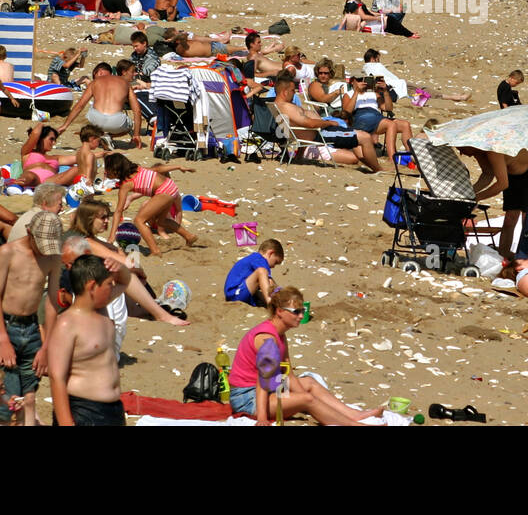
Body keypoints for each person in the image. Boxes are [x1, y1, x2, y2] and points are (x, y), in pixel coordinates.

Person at [228, 287, 384, 425]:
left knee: (309, 383)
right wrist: (262, 418)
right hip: (248, 398)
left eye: (302, 311)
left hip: (269, 388)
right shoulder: (267, 339)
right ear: (280, 311)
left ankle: (355, 415)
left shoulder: (280, 335)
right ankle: (353, 425)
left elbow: (288, 374)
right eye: (296, 312)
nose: (302, 315)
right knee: (307, 400)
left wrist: (302, 395)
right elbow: (262, 381)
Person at [0, 192, 65, 425]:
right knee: (5, 397)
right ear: (30, 232)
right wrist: (2, 340)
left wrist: (47, 347)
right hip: (4, 325)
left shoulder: (53, 258)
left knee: (30, 396)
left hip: (30, 327)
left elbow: (51, 303)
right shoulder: (9, 252)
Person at [48, 254, 132, 426]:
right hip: (83, 410)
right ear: (92, 286)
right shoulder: (67, 324)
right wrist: (65, 422)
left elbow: (125, 281)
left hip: (113, 410)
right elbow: (57, 377)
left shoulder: (101, 308)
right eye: (109, 284)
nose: (112, 288)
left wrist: (119, 268)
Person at [273, 75, 384, 171]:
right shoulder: (287, 107)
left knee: (359, 136)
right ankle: (378, 169)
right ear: (285, 92)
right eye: (293, 91)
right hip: (322, 134)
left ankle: (373, 165)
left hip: (319, 133)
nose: (294, 93)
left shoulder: (277, 105)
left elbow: (301, 127)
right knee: (365, 137)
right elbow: (309, 124)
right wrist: (329, 123)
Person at [103, 153, 197, 255]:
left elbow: (118, 211)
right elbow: (157, 169)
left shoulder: (126, 185)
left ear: (116, 170)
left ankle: (155, 251)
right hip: (170, 186)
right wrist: (178, 167)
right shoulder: (138, 169)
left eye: (107, 170)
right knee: (161, 221)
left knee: (139, 221)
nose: (105, 172)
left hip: (164, 191)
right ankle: (189, 236)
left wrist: (112, 236)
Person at [58, 62, 143, 145]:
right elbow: (137, 111)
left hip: (96, 119)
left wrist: (65, 126)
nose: (134, 74)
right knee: (129, 126)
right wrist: (136, 135)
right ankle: (108, 136)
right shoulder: (126, 84)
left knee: (93, 106)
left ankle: (102, 136)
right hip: (117, 122)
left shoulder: (94, 82)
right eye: (133, 72)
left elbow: (80, 105)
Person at [340, 73, 412, 159]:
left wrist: (385, 91)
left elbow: (388, 108)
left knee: (405, 124)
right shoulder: (348, 95)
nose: (362, 82)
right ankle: (392, 157)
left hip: (376, 117)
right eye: (359, 80)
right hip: (360, 119)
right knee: (390, 124)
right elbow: (346, 112)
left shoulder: (374, 94)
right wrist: (356, 93)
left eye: (364, 79)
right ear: (352, 81)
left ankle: (412, 155)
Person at [15, 125, 82, 189]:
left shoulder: (56, 158)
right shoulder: (27, 152)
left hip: (51, 181)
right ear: (40, 138)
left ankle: (44, 187)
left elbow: (80, 158)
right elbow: (35, 133)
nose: (54, 143)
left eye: (55, 140)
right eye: (51, 139)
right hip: (33, 177)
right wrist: (41, 122)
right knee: (30, 176)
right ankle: (18, 182)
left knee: (76, 169)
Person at [224, 239, 284, 307]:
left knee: (261, 289)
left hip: (236, 292)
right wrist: (281, 294)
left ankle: (275, 302)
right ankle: (271, 303)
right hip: (235, 293)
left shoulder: (253, 258)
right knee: (262, 272)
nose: (273, 266)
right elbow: (270, 281)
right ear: (270, 253)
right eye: (275, 262)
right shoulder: (260, 259)